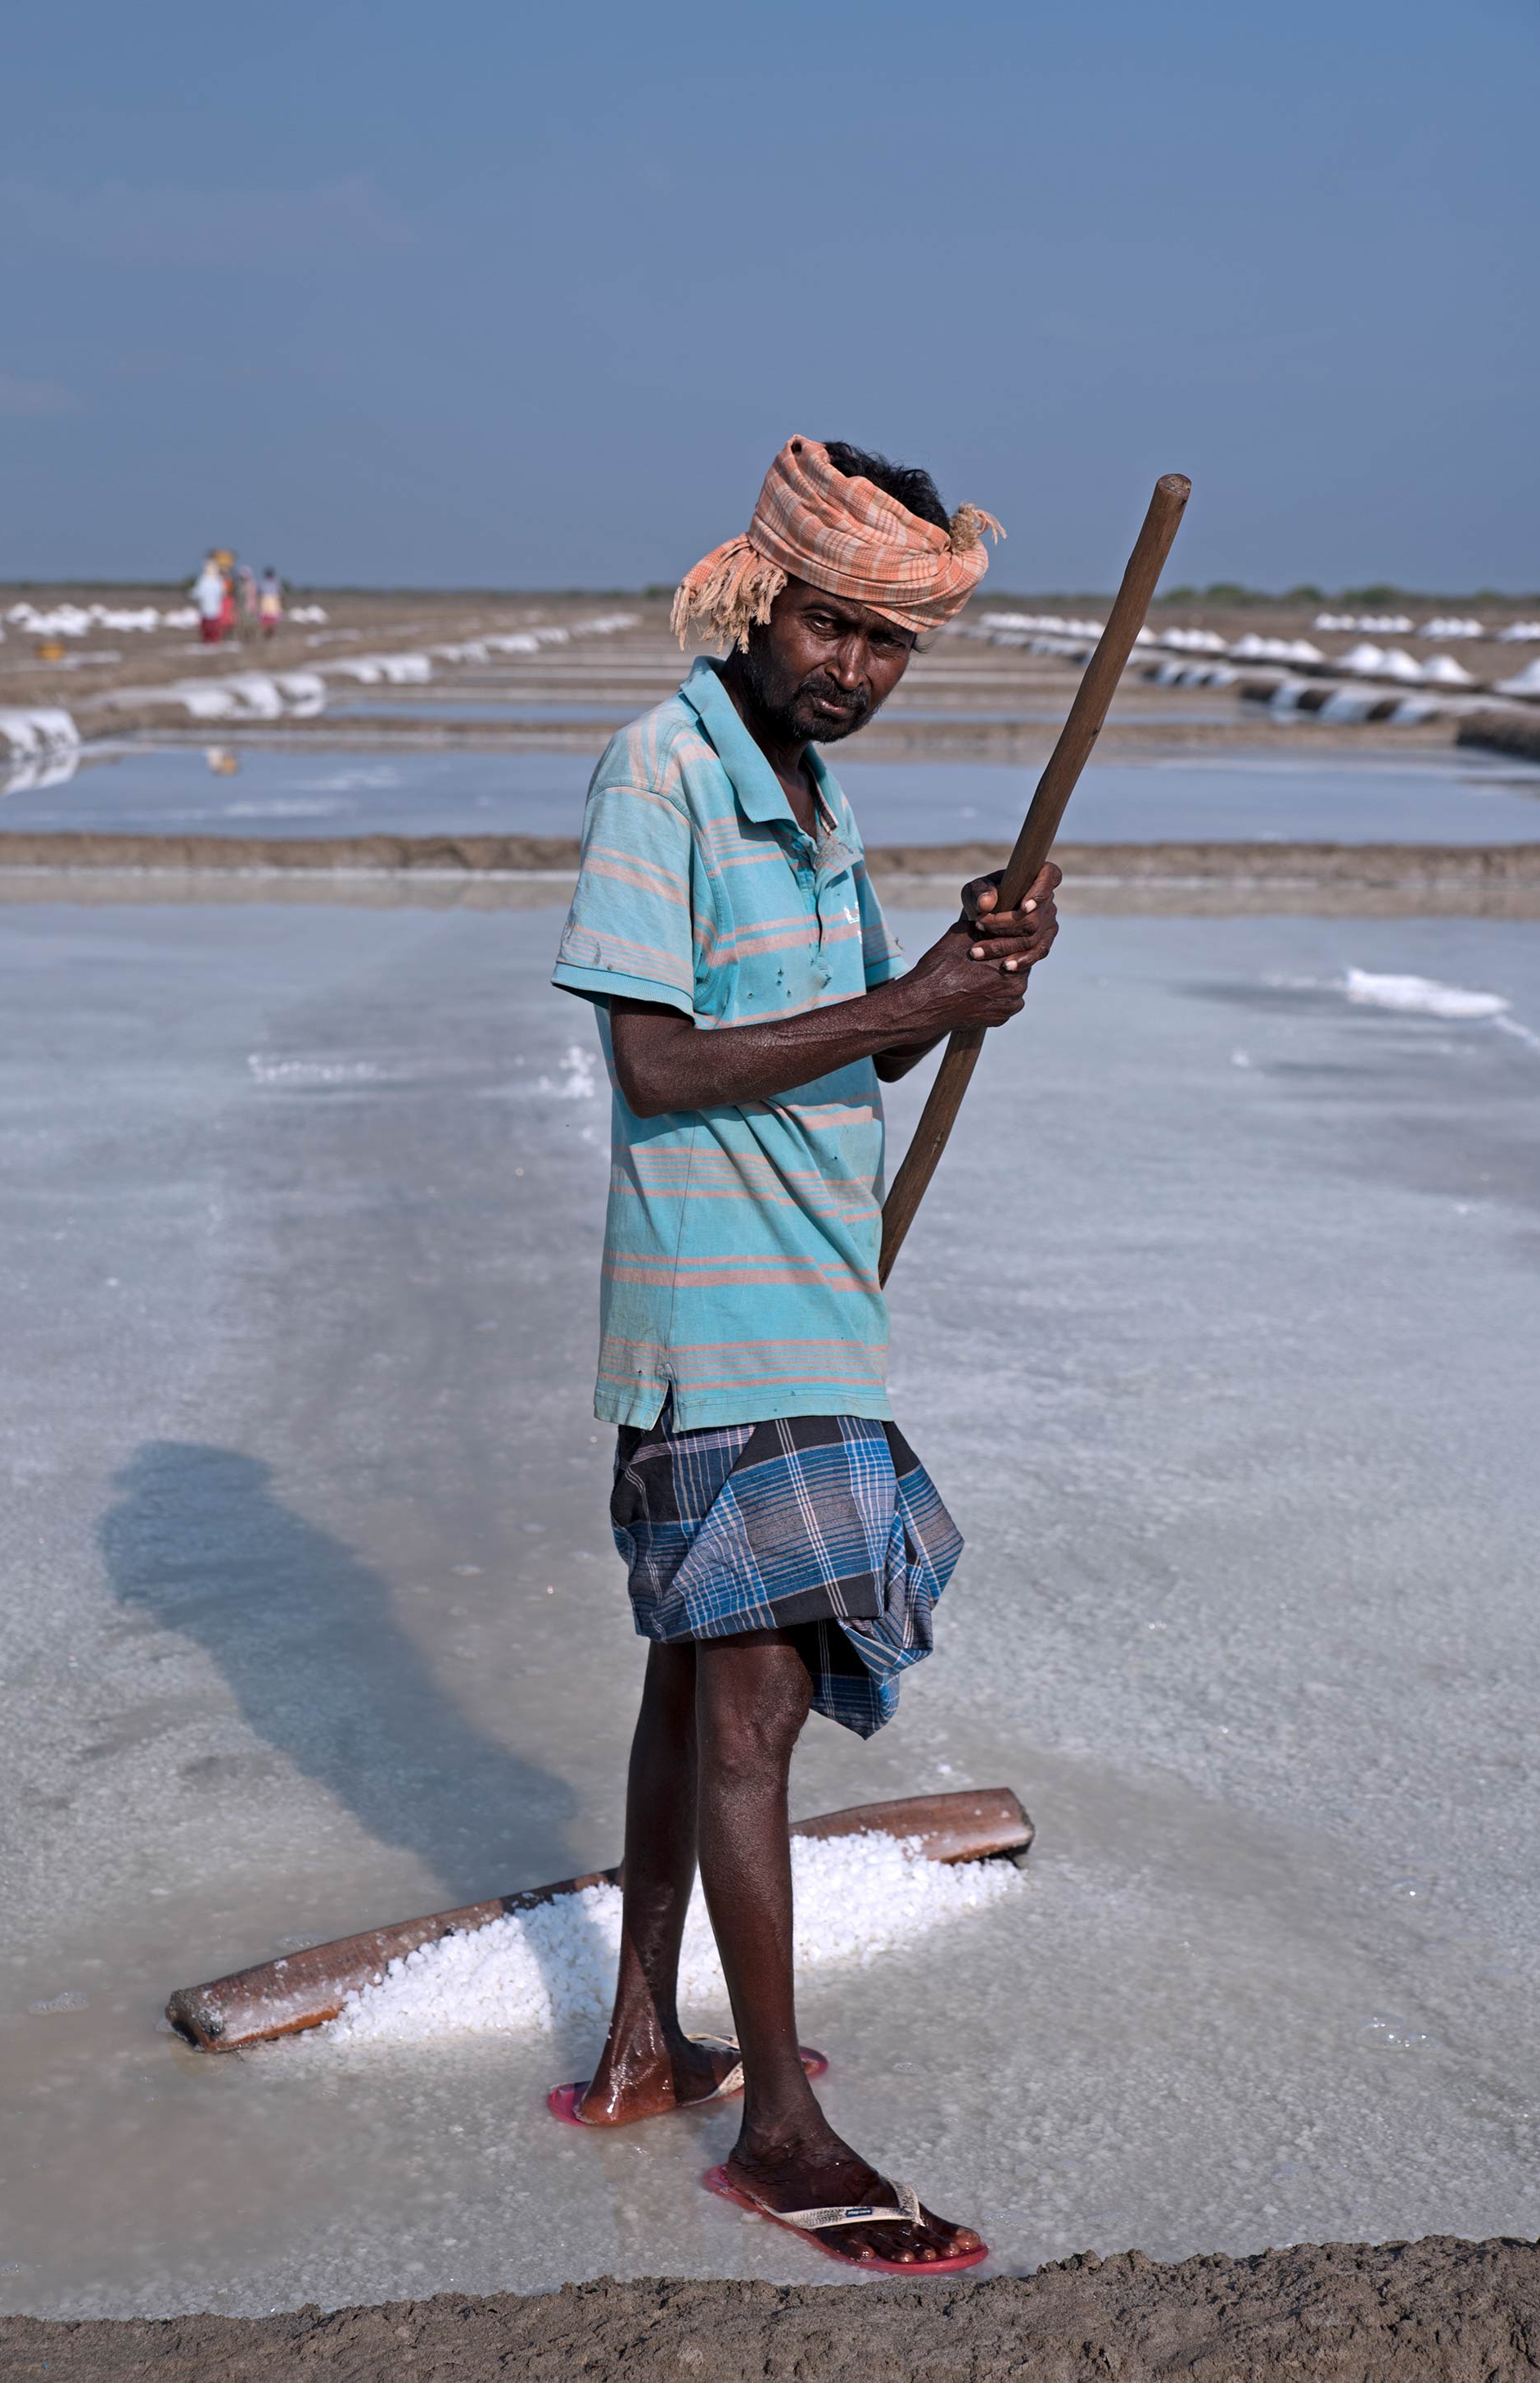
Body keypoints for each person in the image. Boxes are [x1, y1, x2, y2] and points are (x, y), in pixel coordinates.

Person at [549, 436, 1061, 2272]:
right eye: (831, 627)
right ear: (762, 593)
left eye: (885, 646)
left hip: (807, 1298)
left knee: (700, 1687)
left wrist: (959, 970)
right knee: (752, 1719)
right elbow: (659, 1064)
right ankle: (776, 2129)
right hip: (715, 1313)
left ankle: (636, 2047)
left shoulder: (806, 798)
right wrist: (910, 1000)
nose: (851, 667)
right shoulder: (666, 772)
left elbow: (854, 1047)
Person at [193, 552, 225, 645]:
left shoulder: (217, 580)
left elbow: (221, 593)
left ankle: (214, 639)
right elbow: (199, 592)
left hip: (214, 606)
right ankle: (208, 639)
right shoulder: (203, 579)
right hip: (206, 606)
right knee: (207, 624)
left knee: (214, 624)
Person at [259, 567, 283, 638]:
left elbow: (280, 593)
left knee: (273, 620)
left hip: (272, 602)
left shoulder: (275, 583)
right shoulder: (264, 583)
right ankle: (268, 634)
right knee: (266, 620)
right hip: (267, 602)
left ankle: (271, 634)